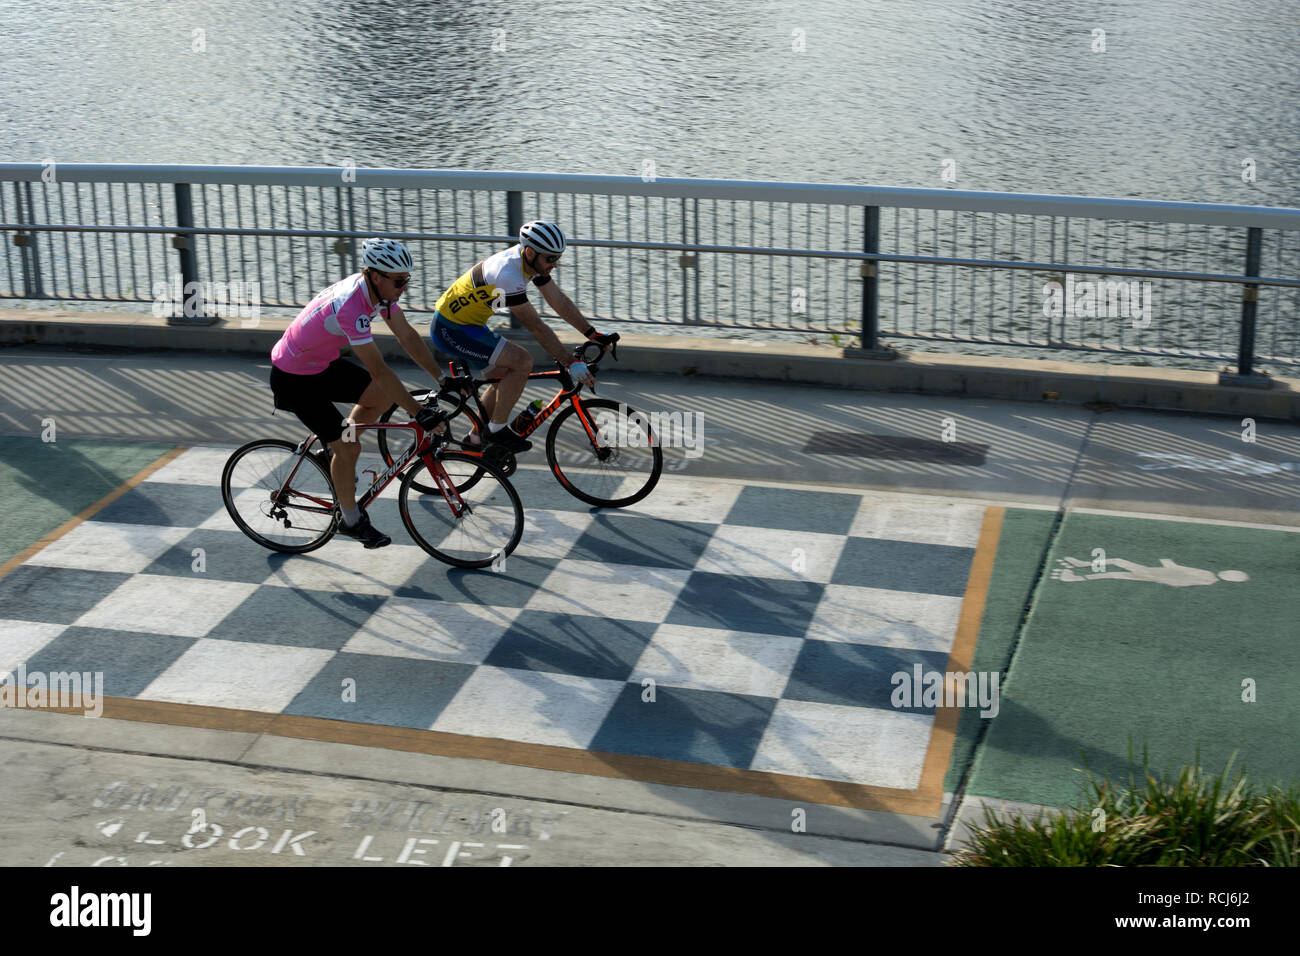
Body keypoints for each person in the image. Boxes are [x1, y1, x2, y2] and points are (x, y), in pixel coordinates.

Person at [269, 237, 445, 549]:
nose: (404, 287)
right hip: (293, 377)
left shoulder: (379, 293)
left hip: (320, 365)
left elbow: (406, 335)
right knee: (350, 449)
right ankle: (350, 520)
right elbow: (380, 370)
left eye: (407, 280)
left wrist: (441, 377)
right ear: (376, 276)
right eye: (399, 281)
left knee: (379, 397)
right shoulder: (351, 307)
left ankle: (335, 452)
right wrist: (418, 413)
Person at [429, 221, 612, 452]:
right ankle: (496, 430)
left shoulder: (530, 263)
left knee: (503, 377)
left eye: (558, 258)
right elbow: (536, 327)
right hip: (452, 330)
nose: (555, 264)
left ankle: (474, 440)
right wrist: (570, 361)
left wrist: (592, 333)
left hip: (469, 326)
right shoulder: (508, 274)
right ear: (530, 252)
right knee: (522, 361)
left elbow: (558, 301)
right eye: (550, 259)